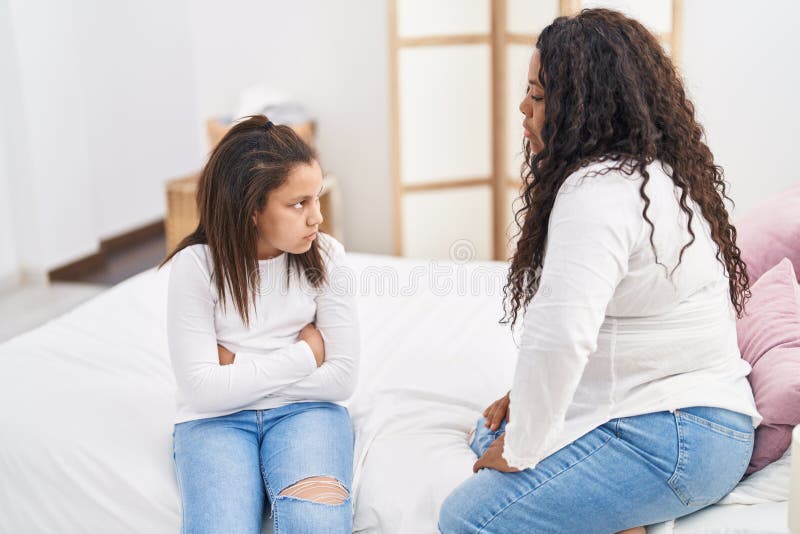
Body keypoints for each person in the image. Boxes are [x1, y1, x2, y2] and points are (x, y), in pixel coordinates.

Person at [438, 9, 760, 533]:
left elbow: (562, 337)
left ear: (581, 107)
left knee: (467, 518)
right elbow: (614, 331)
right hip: (704, 430)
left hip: (679, 438)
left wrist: (523, 446)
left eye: (538, 96)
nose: (523, 108)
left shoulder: (597, 192)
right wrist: (528, 402)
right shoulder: (656, 175)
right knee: (490, 430)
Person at [160, 115, 359, 534]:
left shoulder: (328, 257)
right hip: (213, 421)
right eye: (298, 203)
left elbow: (342, 379)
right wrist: (307, 355)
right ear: (251, 208)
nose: (317, 218)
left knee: (316, 526)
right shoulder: (195, 266)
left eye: (316, 198)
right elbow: (201, 391)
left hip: (309, 413)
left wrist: (235, 368)